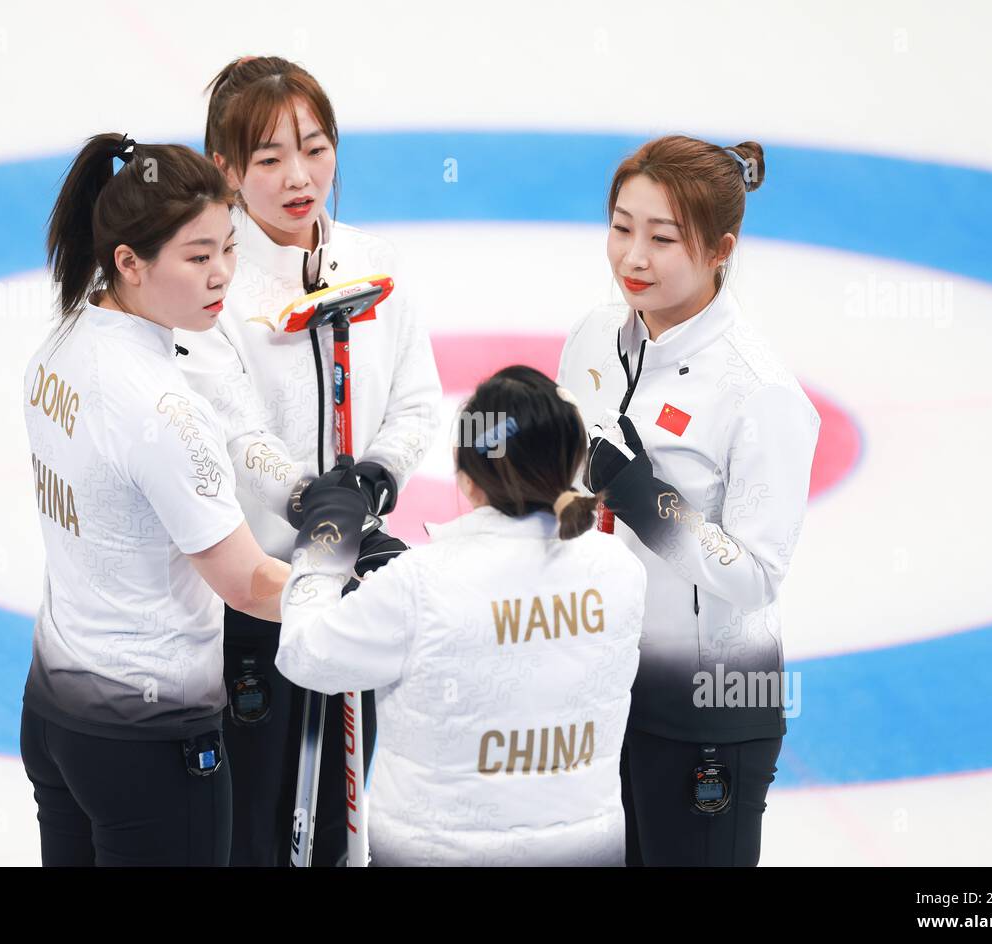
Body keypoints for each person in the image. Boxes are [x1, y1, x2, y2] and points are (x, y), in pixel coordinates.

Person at [172, 55, 443, 866]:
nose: (299, 177)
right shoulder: (215, 283)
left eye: (316, 148)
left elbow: (419, 400)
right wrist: (308, 501)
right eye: (268, 159)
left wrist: (378, 477)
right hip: (257, 592)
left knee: (349, 813)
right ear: (225, 169)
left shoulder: (372, 263)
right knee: (254, 816)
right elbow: (231, 427)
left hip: (360, 587)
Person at [18, 133, 290, 866]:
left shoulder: (64, 342)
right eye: (198, 258)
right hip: (150, 744)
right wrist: (351, 587)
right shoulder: (161, 408)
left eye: (228, 248)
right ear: (129, 263)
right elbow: (246, 582)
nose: (222, 275)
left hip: (55, 718)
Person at [556, 135, 822, 866]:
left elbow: (756, 575)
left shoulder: (759, 392)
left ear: (719, 249)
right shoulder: (589, 341)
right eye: (621, 227)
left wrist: (644, 497)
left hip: (709, 706)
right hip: (599, 689)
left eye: (662, 238)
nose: (632, 257)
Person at [275, 366, 646, 866]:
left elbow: (305, 654)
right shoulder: (620, 570)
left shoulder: (421, 582)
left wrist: (326, 540)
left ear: (467, 476)